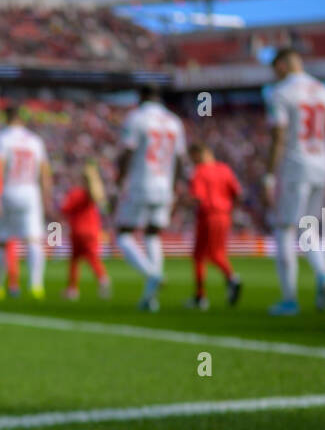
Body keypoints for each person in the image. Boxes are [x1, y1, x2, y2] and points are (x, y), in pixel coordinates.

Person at [264, 47, 325, 316]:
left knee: (284, 228)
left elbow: (280, 137)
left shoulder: (281, 92)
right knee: (309, 230)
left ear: (283, 65)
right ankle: (323, 275)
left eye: (275, 68)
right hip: (322, 165)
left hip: (295, 166)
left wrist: (269, 176)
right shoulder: (324, 90)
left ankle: (289, 299)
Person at [116, 84, 185, 311]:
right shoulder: (175, 122)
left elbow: (128, 150)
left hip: (140, 183)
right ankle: (149, 298)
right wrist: (174, 189)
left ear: (141, 97)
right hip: (164, 185)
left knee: (123, 235)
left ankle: (152, 274)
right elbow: (180, 160)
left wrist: (119, 180)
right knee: (152, 235)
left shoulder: (136, 118)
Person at [0, 108, 53, 299]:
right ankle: (36, 284)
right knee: (34, 239)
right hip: (30, 191)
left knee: (2, 240)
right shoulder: (35, 140)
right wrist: (46, 197)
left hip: (10, 189)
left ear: (7, 118)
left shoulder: (3, 139)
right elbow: (45, 172)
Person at [187, 143, 243, 310]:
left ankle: (204, 294)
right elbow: (237, 193)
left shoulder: (200, 171)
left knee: (202, 256)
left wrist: (183, 202)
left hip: (208, 215)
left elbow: (197, 197)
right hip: (224, 215)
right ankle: (229, 280)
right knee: (216, 252)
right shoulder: (225, 169)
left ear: (198, 154)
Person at [60, 161, 110, 300]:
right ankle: (103, 279)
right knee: (93, 258)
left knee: (74, 261)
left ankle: (72, 289)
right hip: (93, 231)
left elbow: (65, 209)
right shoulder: (95, 195)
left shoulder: (76, 193)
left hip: (79, 231)